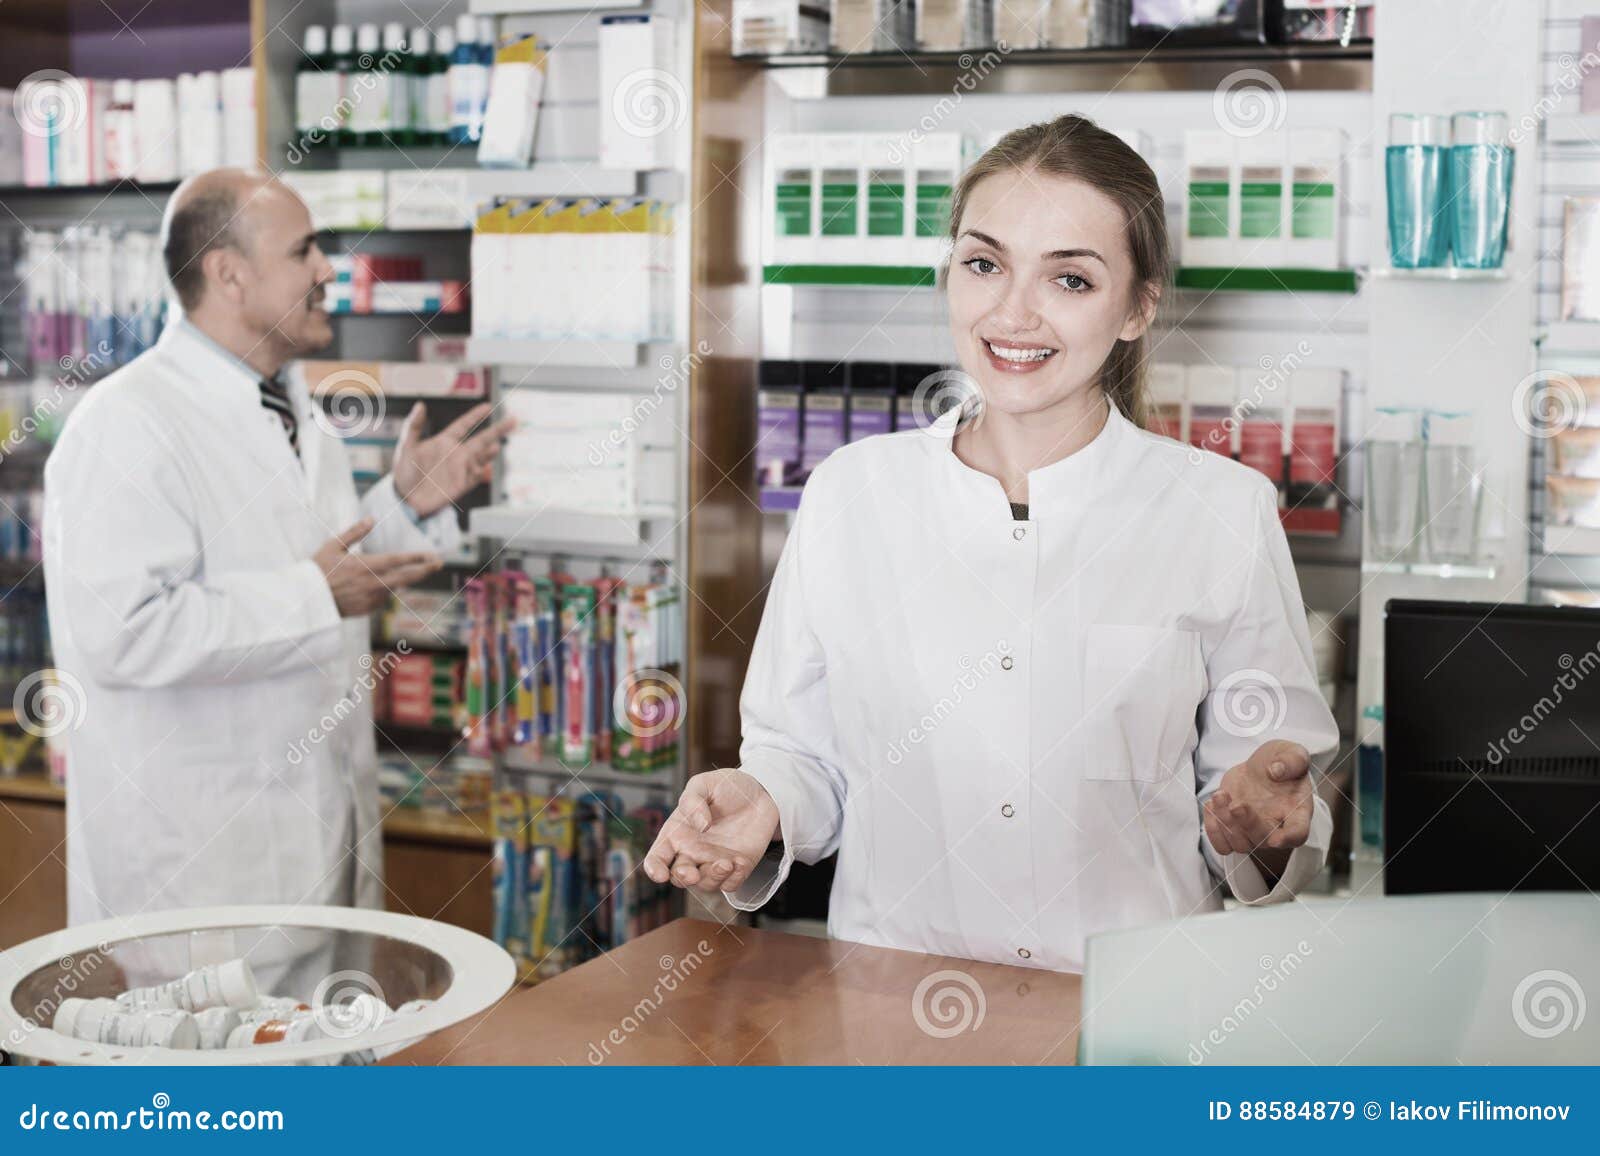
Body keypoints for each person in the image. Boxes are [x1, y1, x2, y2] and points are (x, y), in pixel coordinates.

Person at [642, 115, 1340, 972]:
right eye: (984, 264)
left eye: (1070, 279)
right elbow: (801, 755)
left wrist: (1263, 830)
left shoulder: (1222, 511)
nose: (1012, 312)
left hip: (1130, 1008)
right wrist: (765, 801)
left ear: (1138, 308)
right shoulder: (852, 495)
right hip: (891, 1002)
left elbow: (1268, 800)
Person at [43, 168, 514, 925]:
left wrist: (402, 504)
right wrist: (312, 596)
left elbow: (318, 562)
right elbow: (124, 635)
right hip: (198, 873)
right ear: (229, 274)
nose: (328, 270)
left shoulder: (290, 404)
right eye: (304, 252)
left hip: (319, 839)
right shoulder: (125, 424)